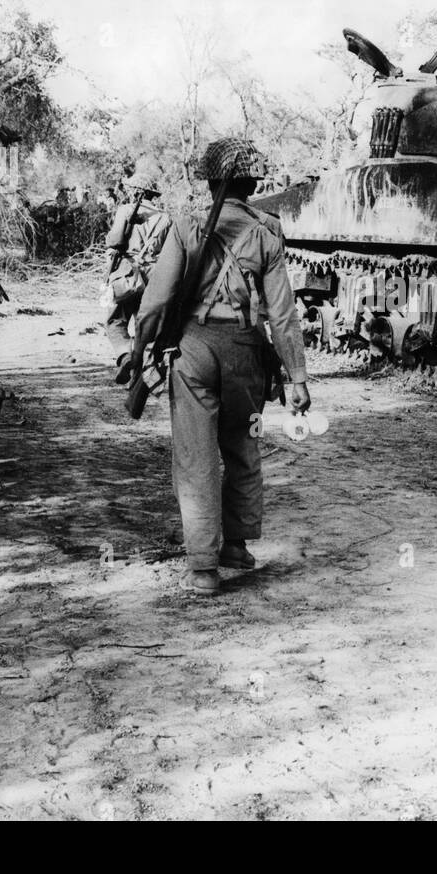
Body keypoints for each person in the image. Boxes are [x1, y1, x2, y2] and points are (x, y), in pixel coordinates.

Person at [131, 137, 310, 596]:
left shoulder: (188, 226)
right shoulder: (267, 230)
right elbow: (283, 313)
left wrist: (139, 350)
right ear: (252, 183)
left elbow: (156, 301)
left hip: (194, 351)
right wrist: (298, 378)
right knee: (243, 446)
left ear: (210, 181)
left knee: (195, 456)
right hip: (248, 353)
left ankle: (203, 567)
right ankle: (236, 545)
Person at [104, 170, 172, 383]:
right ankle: (147, 366)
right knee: (148, 322)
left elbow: (114, 241)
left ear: (136, 192)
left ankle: (125, 355)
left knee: (115, 319)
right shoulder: (166, 218)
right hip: (154, 276)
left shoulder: (125, 210)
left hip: (127, 273)